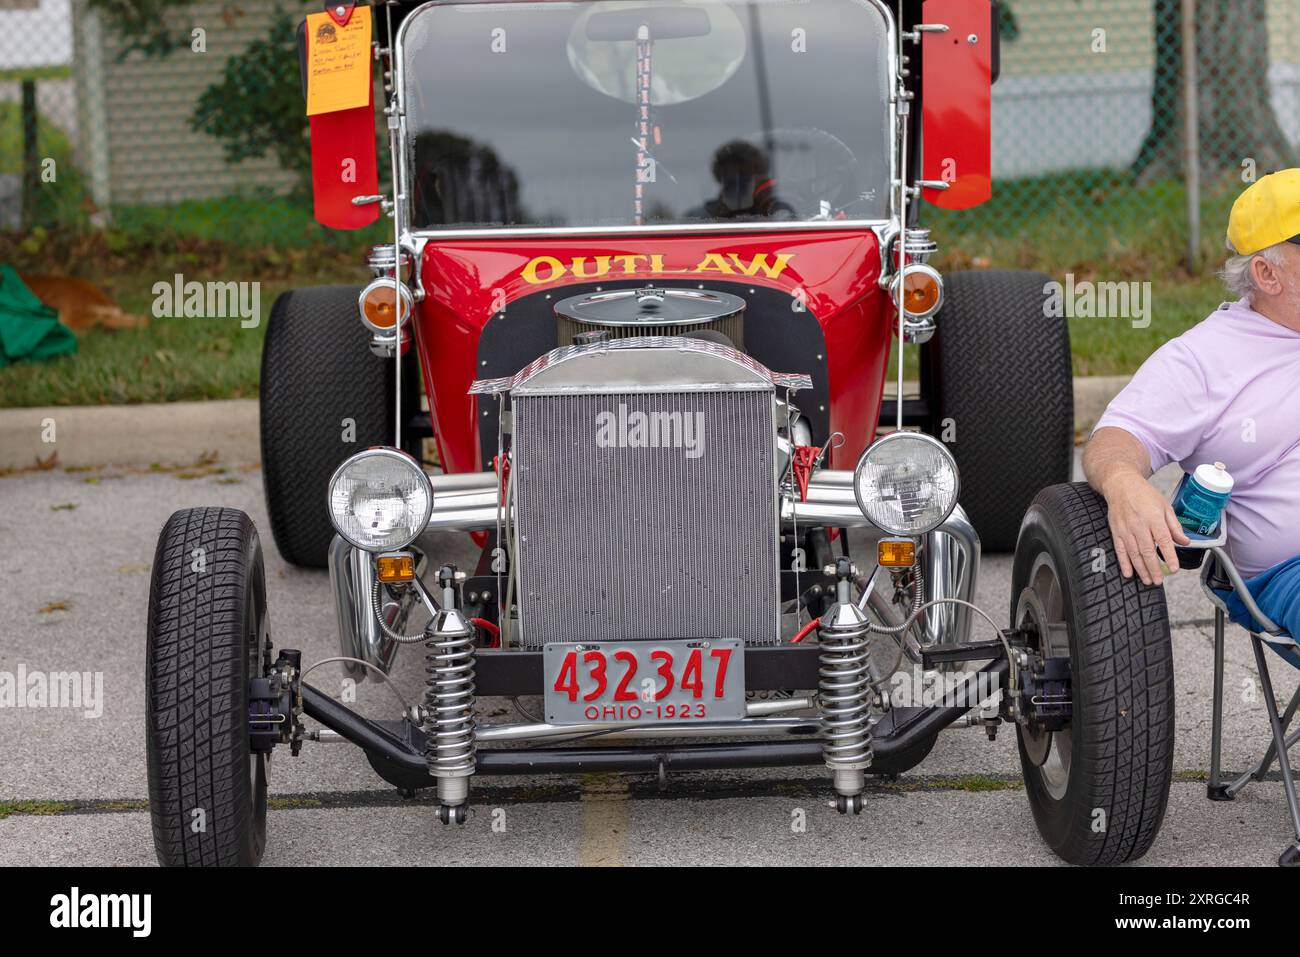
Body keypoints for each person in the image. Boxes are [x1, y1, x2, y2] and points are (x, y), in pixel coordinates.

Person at [1083, 168, 1300, 659]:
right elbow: (1116, 439)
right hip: (1289, 574)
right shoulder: (1203, 361)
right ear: (1267, 274)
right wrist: (1123, 483)